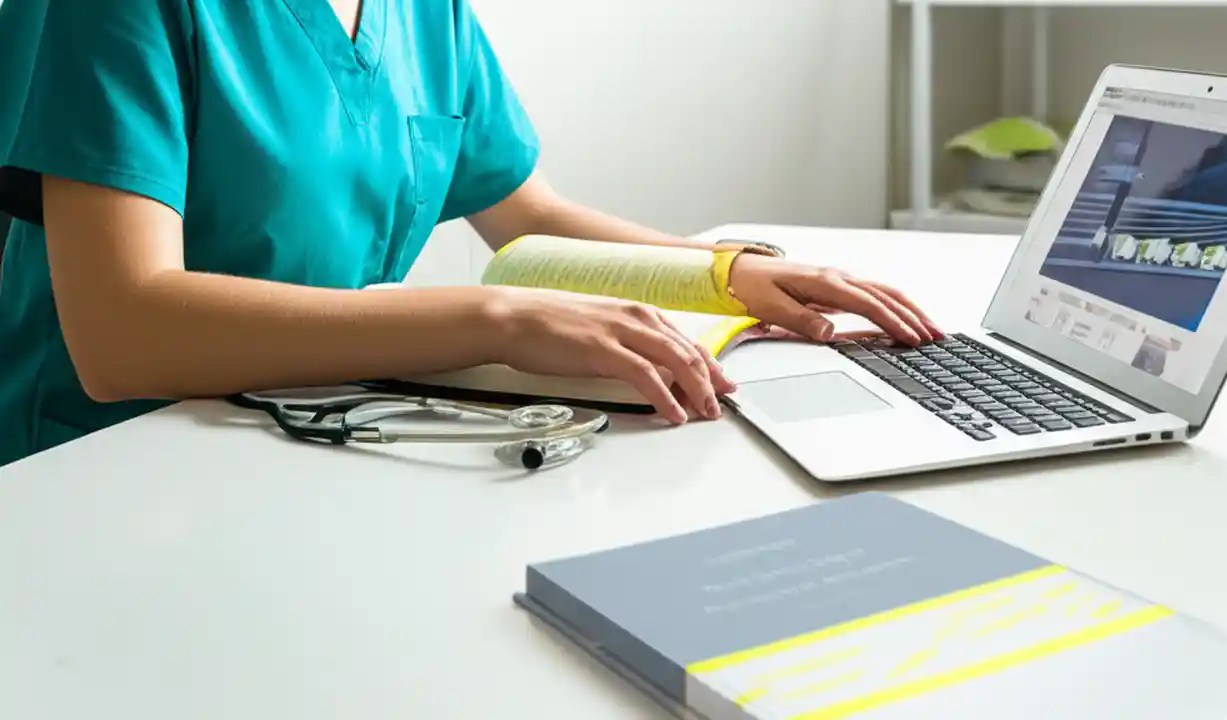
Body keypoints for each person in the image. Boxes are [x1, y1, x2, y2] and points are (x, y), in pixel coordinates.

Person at [0, 0, 942, 467]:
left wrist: (726, 275)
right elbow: (122, 335)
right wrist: (492, 319)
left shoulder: (420, 9)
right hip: (101, 464)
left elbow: (527, 218)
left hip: (310, 436)